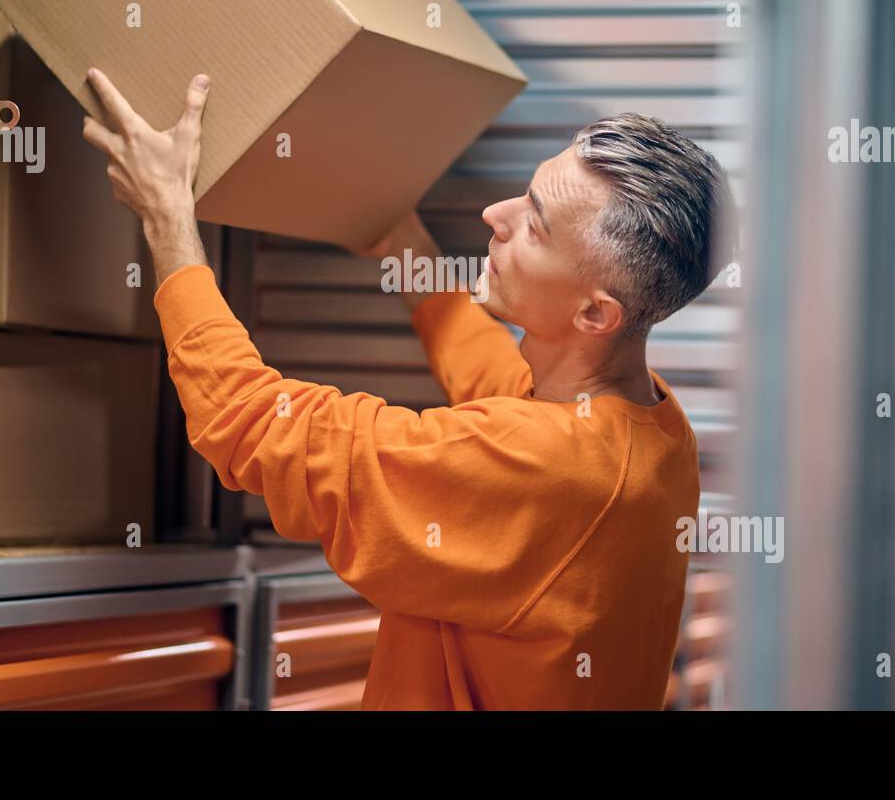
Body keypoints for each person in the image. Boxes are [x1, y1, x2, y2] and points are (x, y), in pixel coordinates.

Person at [81, 67, 737, 710]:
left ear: (595, 314)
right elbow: (487, 367)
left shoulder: (546, 468)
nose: (494, 214)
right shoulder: (649, 426)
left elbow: (251, 422)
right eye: (523, 193)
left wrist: (166, 214)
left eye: (533, 227)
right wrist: (401, 240)